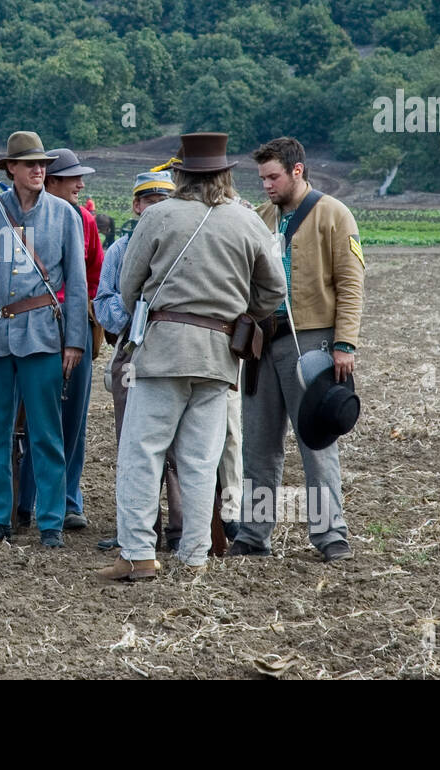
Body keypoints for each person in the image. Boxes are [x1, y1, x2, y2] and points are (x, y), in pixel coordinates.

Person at [97, 133, 285, 581]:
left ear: (180, 175)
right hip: (220, 356)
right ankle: (196, 554)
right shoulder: (246, 221)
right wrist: (238, 313)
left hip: (161, 353)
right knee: (203, 461)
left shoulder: (158, 215)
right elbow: (274, 289)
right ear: (224, 175)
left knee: (142, 454)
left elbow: (128, 287)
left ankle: (139, 554)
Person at [232, 136, 364, 563]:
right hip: (263, 343)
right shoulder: (261, 217)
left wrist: (344, 344)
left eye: (273, 177)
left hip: (313, 341)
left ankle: (330, 536)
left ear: (297, 171)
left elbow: (350, 281)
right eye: (262, 178)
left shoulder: (334, 215)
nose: (266, 185)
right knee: (258, 445)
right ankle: (254, 535)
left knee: (317, 442)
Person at [0, 131, 88, 549]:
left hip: (43, 337)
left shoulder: (65, 215)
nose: (39, 169)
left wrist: (74, 342)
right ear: (11, 169)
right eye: (30, 163)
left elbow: (77, 283)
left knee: (46, 433)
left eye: (43, 164)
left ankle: (51, 522)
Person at [93, 170, 180, 551]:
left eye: (164, 200)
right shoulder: (119, 250)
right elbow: (103, 305)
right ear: (136, 205)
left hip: (176, 355)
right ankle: (138, 529)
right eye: (149, 201)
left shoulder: (185, 246)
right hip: (131, 354)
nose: (156, 208)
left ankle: (181, 530)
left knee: (179, 449)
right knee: (132, 446)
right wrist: (133, 308)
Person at [16, 148, 102, 532]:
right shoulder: (12, 217)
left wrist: (77, 327)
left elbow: (92, 275)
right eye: (72, 178)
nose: (80, 185)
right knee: (31, 420)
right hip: (30, 329)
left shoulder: (84, 220)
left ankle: (69, 500)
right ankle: (26, 500)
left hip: (70, 327)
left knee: (72, 421)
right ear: (50, 181)